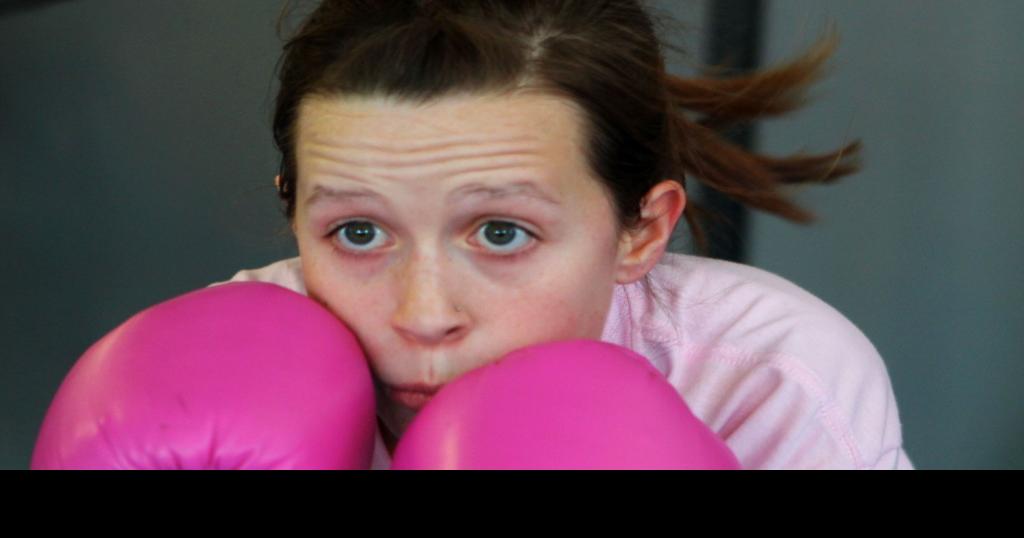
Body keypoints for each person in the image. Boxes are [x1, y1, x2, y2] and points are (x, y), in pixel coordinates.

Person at [208, 0, 913, 469]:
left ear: (642, 232)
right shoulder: (224, 372)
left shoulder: (770, 378)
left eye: (502, 232)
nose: (422, 316)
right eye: (358, 232)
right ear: (294, 217)